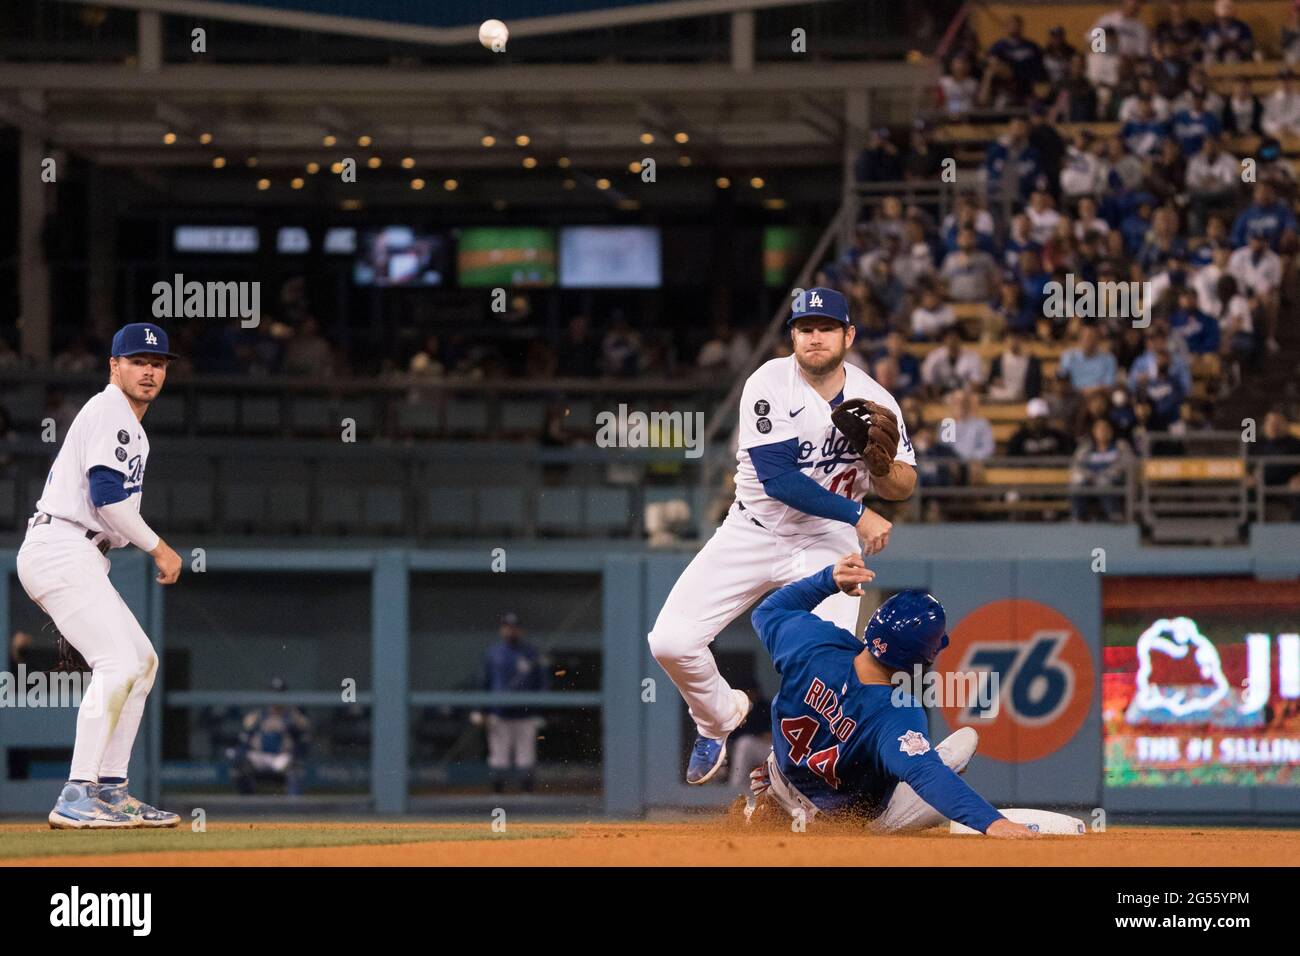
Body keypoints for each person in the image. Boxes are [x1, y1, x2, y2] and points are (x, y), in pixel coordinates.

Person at [647, 287, 913, 785]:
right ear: (793, 335)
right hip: (754, 529)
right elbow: (779, 480)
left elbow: (905, 483)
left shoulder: (877, 398)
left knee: (828, 671)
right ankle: (718, 717)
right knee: (671, 641)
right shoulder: (768, 382)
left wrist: (882, 468)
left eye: (826, 328)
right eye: (805, 328)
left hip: (826, 541)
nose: (815, 338)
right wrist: (861, 513)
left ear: (848, 335)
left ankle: (843, 782)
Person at [16, 323, 183, 828]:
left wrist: (137, 540)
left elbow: (113, 512)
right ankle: (76, 792)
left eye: (157, 363)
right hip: (61, 545)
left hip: (78, 551)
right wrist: (162, 549)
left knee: (142, 661)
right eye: (137, 361)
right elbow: (108, 498)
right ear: (115, 366)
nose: (149, 370)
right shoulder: (111, 409)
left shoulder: (129, 423)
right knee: (115, 660)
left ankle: (111, 790)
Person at [743, 555, 1035, 837]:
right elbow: (926, 775)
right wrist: (991, 822)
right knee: (960, 744)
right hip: (835, 822)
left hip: (781, 777)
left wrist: (827, 580)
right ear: (922, 659)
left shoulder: (814, 643)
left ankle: (772, 799)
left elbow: (767, 611)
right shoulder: (896, 711)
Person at [476, 611, 546, 793]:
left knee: (526, 756)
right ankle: (497, 798)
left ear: (521, 630)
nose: (511, 631)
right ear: (502, 629)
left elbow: (542, 683)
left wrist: (539, 710)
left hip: (526, 714)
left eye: (515, 627)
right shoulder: (494, 653)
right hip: (500, 713)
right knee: (498, 757)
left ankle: (527, 795)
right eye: (507, 627)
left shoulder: (531, 652)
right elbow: (484, 682)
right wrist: (482, 710)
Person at [230, 678, 312, 796]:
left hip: (281, 758)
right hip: (260, 757)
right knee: (240, 763)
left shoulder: (294, 716)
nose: (276, 697)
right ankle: (247, 803)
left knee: (296, 768)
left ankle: (294, 807)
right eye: (273, 693)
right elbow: (245, 739)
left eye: (280, 693)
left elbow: (303, 737)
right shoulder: (257, 715)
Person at [1070, 418, 1135, 520]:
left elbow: (1125, 464)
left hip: (1112, 481)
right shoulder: (1086, 447)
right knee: (1077, 483)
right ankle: (1078, 516)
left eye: (1105, 428)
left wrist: (1104, 475)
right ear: (1094, 431)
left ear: (1111, 431)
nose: (1102, 431)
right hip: (1090, 480)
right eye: (1099, 429)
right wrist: (1089, 475)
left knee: (1103, 482)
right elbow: (1076, 465)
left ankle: (1113, 515)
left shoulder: (1120, 446)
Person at [988, 330, 1043, 402]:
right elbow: (991, 380)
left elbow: (1037, 384)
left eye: (1017, 338)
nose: (1014, 342)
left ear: (1022, 340)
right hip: (1002, 396)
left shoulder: (1033, 362)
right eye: (1011, 338)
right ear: (1006, 340)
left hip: (1025, 397)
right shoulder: (997, 360)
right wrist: (995, 382)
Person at [1009, 397, 1074, 456]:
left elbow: (1068, 453)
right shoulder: (1019, 437)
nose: (1039, 422)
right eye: (1036, 419)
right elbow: (1011, 459)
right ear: (1029, 419)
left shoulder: (1056, 435)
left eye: (1042, 419)